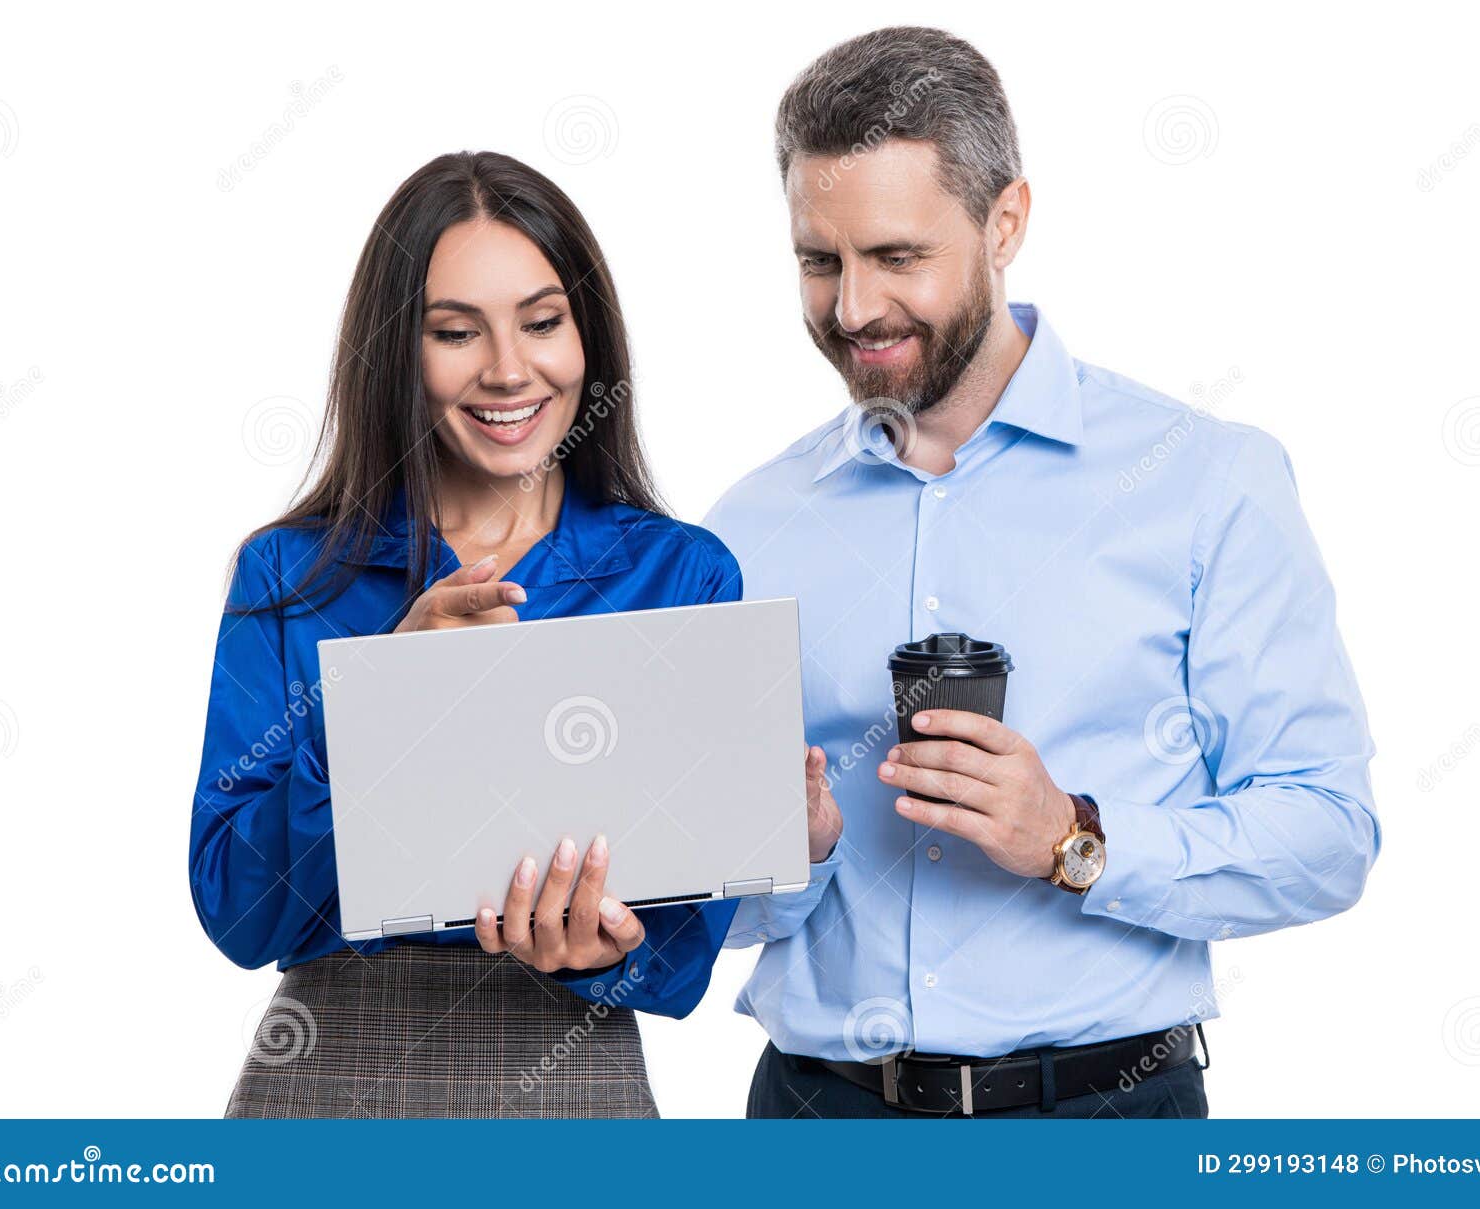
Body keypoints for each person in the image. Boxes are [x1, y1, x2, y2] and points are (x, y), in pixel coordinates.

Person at [705, 26, 1381, 1119]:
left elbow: (1326, 834)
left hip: (1101, 1121)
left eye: (898, 257)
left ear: (1005, 221)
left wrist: (1074, 838)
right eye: (819, 261)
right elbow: (717, 911)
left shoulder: (1204, 483)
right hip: (812, 1117)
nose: (852, 309)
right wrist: (790, 855)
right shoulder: (750, 526)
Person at [190, 150, 739, 1118]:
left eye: (542, 322)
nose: (508, 370)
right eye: (455, 331)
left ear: (589, 339)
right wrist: (383, 703)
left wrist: (609, 957)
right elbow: (238, 908)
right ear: (399, 351)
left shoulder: (682, 577)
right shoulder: (288, 574)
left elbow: (689, 952)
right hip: (334, 1073)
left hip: (576, 1075)